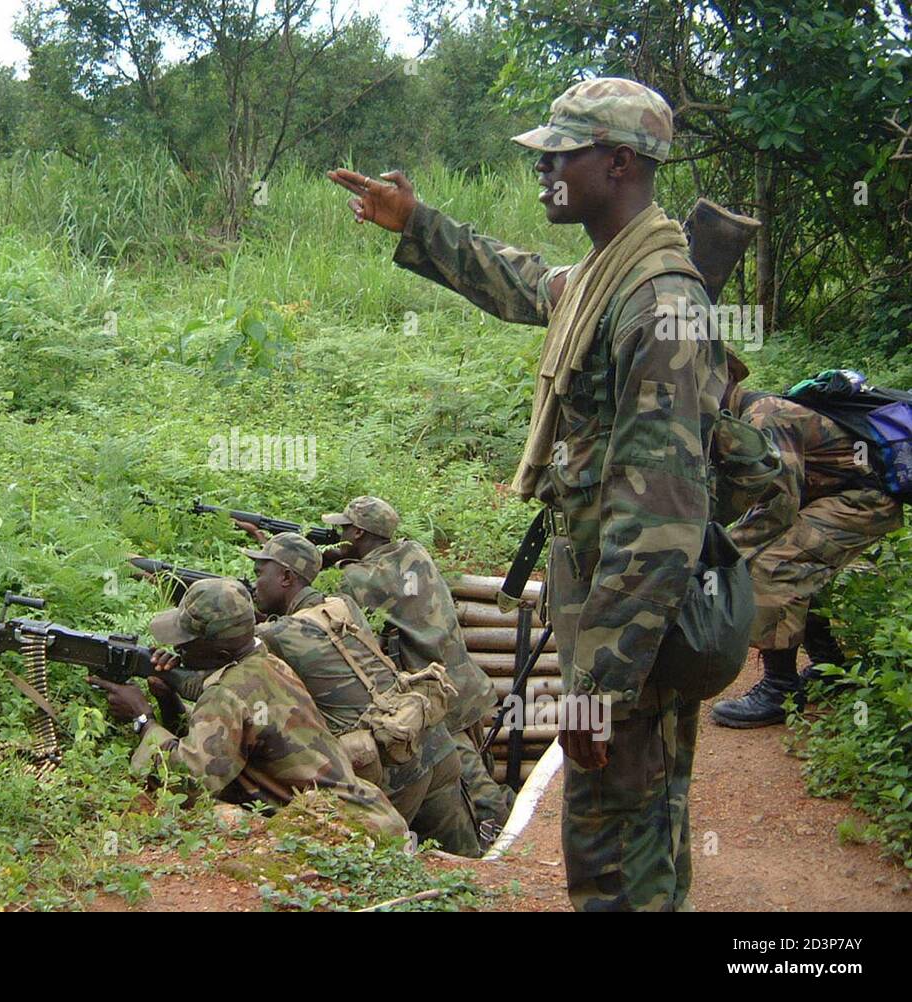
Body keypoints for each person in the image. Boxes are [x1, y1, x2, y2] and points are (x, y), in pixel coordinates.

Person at [328, 78, 727, 911]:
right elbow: (522, 284)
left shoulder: (659, 303)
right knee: (608, 837)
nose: (544, 165)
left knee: (625, 850)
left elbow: (663, 520)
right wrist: (421, 225)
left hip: (636, 631)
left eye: (562, 150)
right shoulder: (604, 276)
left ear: (620, 162)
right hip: (605, 608)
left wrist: (598, 689)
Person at [87, 577, 408, 840]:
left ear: (220, 650)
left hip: (338, 831)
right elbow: (227, 736)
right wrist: (168, 695)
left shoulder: (228, 694)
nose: (176, 647)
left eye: (185, 641)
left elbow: (189, 782)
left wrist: (142, 719)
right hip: (368, 811)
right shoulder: (266, 663)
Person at [245, 532, 483, 855]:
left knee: (380, 873)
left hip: (392, 766)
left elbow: (232, 659)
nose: (253, 582)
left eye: (260, 573)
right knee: (464, 866)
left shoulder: (280, 635)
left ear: (286, 577)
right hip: (432, 742)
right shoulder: (344, 606)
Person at [711, 365, 905, 727]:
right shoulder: (740, 418)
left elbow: (779, 504)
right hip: (842, 494)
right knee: (797, 561)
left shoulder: (762, 415)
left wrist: (725, 550)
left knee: (775, 566)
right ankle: (831, 665)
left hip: (864, 498)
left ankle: (780, 690)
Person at [318, 496, 512, 839]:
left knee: (471, 776)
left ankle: (497, 832)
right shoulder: (415, 552)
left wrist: (327, 561)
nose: (339, 532)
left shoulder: (357, 579)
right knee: (476, 761)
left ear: (359, 533)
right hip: (462, 680)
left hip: (433, 691)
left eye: (345, 528)